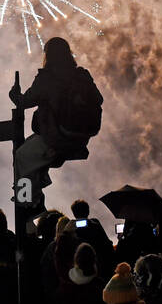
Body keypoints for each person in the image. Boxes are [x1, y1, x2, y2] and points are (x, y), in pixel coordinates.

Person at [9, 37, 103, 216]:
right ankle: (36, 189)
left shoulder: (47, 78)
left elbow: (24, 102)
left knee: (21, 156)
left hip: (56, 138)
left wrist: (14, 94)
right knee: (32, 152)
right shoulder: (82, 75)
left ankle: (26, 202)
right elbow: (99, 100)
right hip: (80, 139)